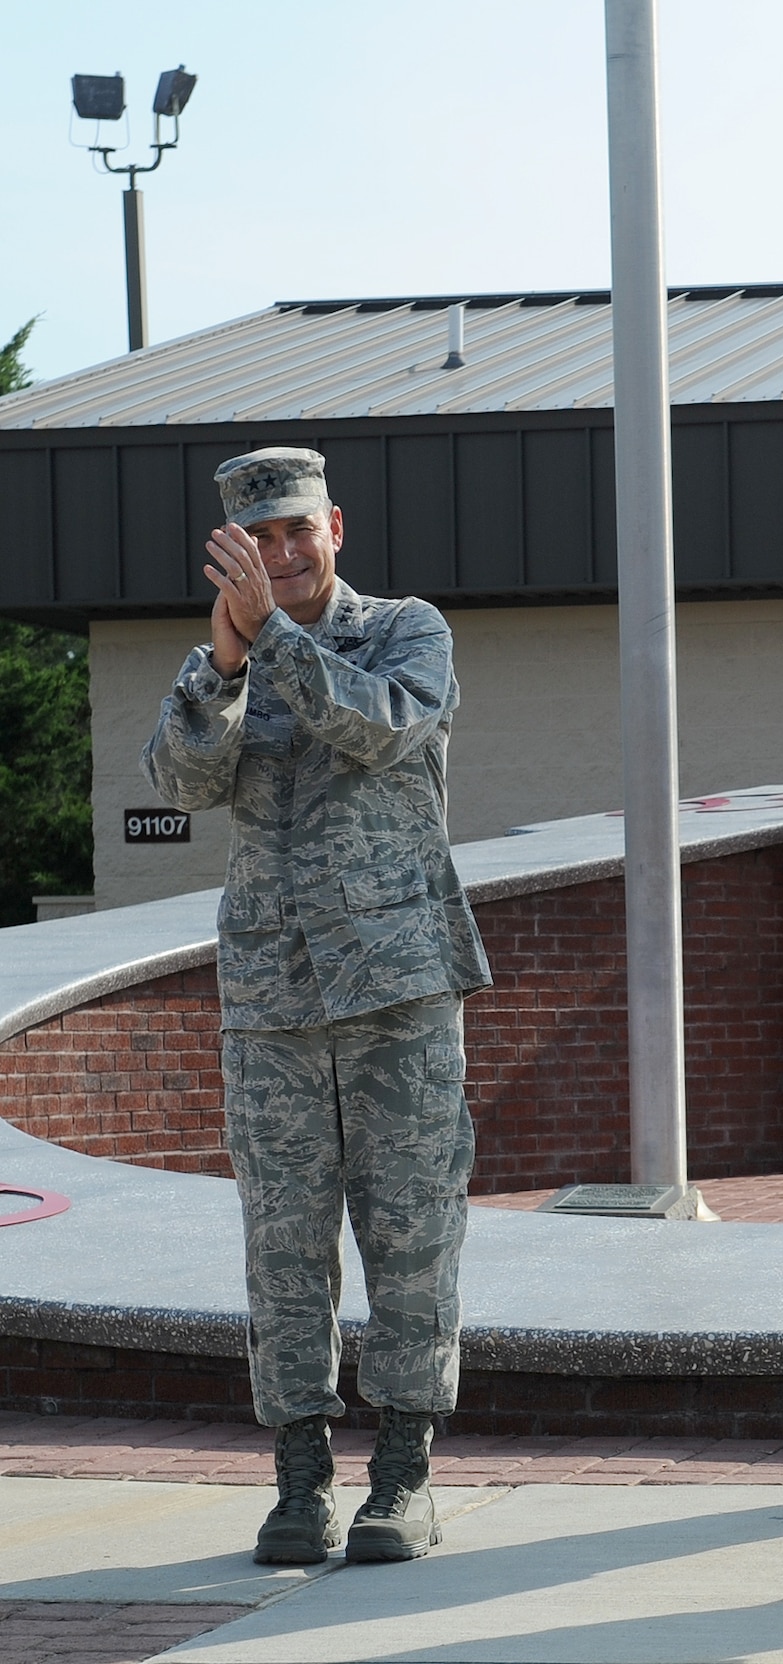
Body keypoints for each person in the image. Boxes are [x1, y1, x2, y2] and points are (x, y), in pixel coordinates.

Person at [143, 447, 491, 1567]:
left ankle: (404, 1472)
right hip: (273, 996)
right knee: (282, 1246)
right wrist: (226, 661)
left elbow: (386, 726)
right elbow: (181, 780)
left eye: (297, 532)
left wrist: (275, 639)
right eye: (259, 542)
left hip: (397, 986)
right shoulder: (229, 660)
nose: (283, 557)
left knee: (411, 1234)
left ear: (333, 525)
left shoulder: (406, 630)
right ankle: (300, 1476)